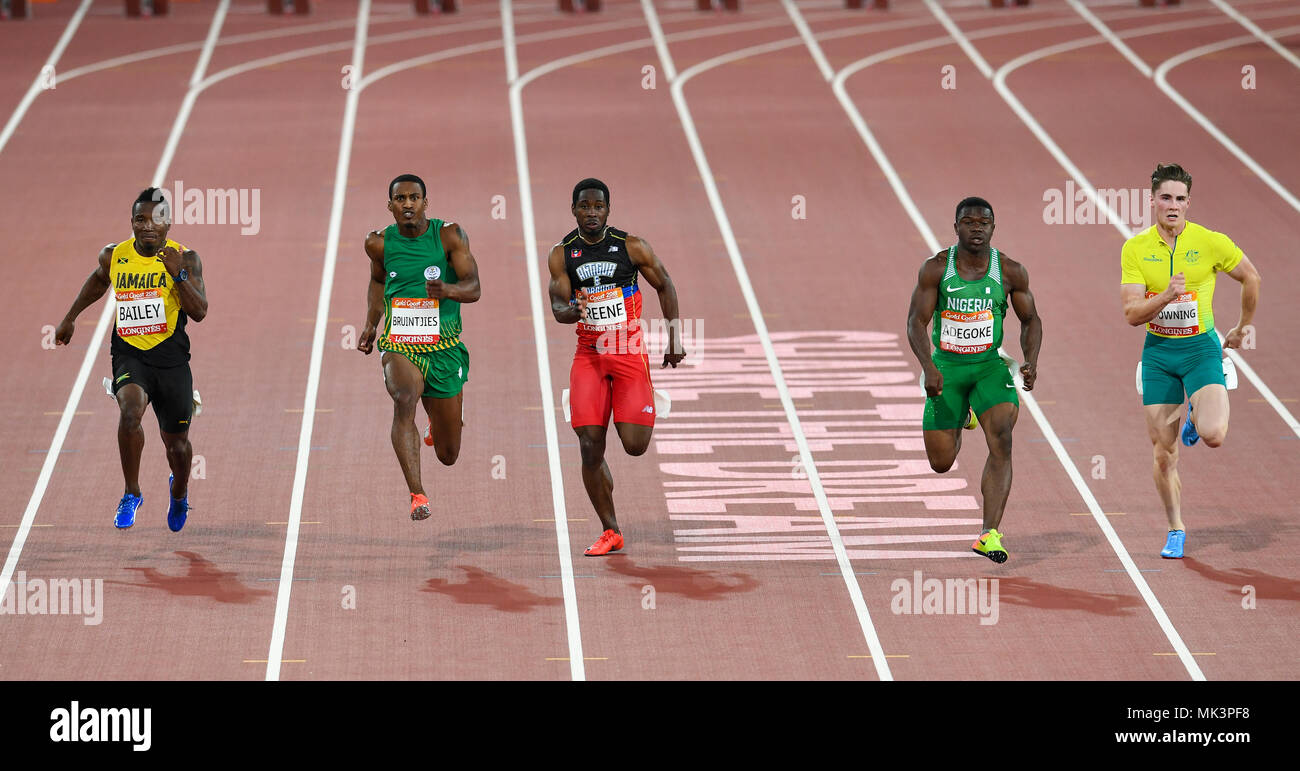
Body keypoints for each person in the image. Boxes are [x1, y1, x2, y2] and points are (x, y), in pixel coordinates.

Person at [1120, 163, 1260, 559]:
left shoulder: (1210, 242)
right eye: (1165, 197)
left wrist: (1242, 327)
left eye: (1180, 199)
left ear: (1188, 203)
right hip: (1159, 356)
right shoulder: (1136, 248)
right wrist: (1166, 295)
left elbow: (1251, 277)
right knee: (1164, 454)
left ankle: (1196, 419)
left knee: (1214, 434)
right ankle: (1176, 528)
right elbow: (1131, 314)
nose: (1173, 205)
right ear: (1153, 201)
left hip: (1200, 350)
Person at [56, 188, 209, 531]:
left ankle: (179, 491)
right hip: (129, 354)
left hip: (171, 360)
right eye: (141, 219)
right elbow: (99, 281)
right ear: (132, 222)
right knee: (129, 414)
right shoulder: (115, 255)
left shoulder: (186, 259)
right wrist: (70, 317)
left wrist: (178, 276)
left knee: (178, 447)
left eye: (156, 220)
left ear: (168, 223)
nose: (148, 226)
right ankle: (132, 492)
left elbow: (199, 312)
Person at [547, 178, 685, 556]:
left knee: (635, 446)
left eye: (598, 207)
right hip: (589, 355)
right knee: (589, 447)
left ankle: (637, 401)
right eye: (584, 207)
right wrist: (570, 311)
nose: (591, 213)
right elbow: (557, 306)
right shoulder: (562, 254)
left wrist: (674, 338)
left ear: (608, 209)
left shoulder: (631, 246)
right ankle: (611, 530)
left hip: (627, 351)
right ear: (574, 210)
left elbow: (665, 284)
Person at [906, 197, 1042, 564]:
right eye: (969, 222)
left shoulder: (1010, 271)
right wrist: (928, 367)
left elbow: (1031, 320)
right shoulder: (936, 269)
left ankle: (988, 534)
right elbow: (916, 321)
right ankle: (964, 413)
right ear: (956, 228)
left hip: (988, 367)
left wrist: (1031, 360)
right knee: (941, 462)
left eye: (984, 222)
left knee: (1002, 435)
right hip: (947, 368)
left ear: (993, 228)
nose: (977, 228)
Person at [358, 174, 481, 520]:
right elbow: (378, 280)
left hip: (444, 347)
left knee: (448, 454)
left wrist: (448, 291)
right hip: (400, 342)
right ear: (390, 206)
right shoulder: (378, 243)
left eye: (414, 198)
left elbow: (473, 287)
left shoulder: (450, 236)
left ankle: (438, 420)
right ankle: (417, 494)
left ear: (425, 203)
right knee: (404, 398)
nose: (408, 204)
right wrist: (370, 324)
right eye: (400, 199)